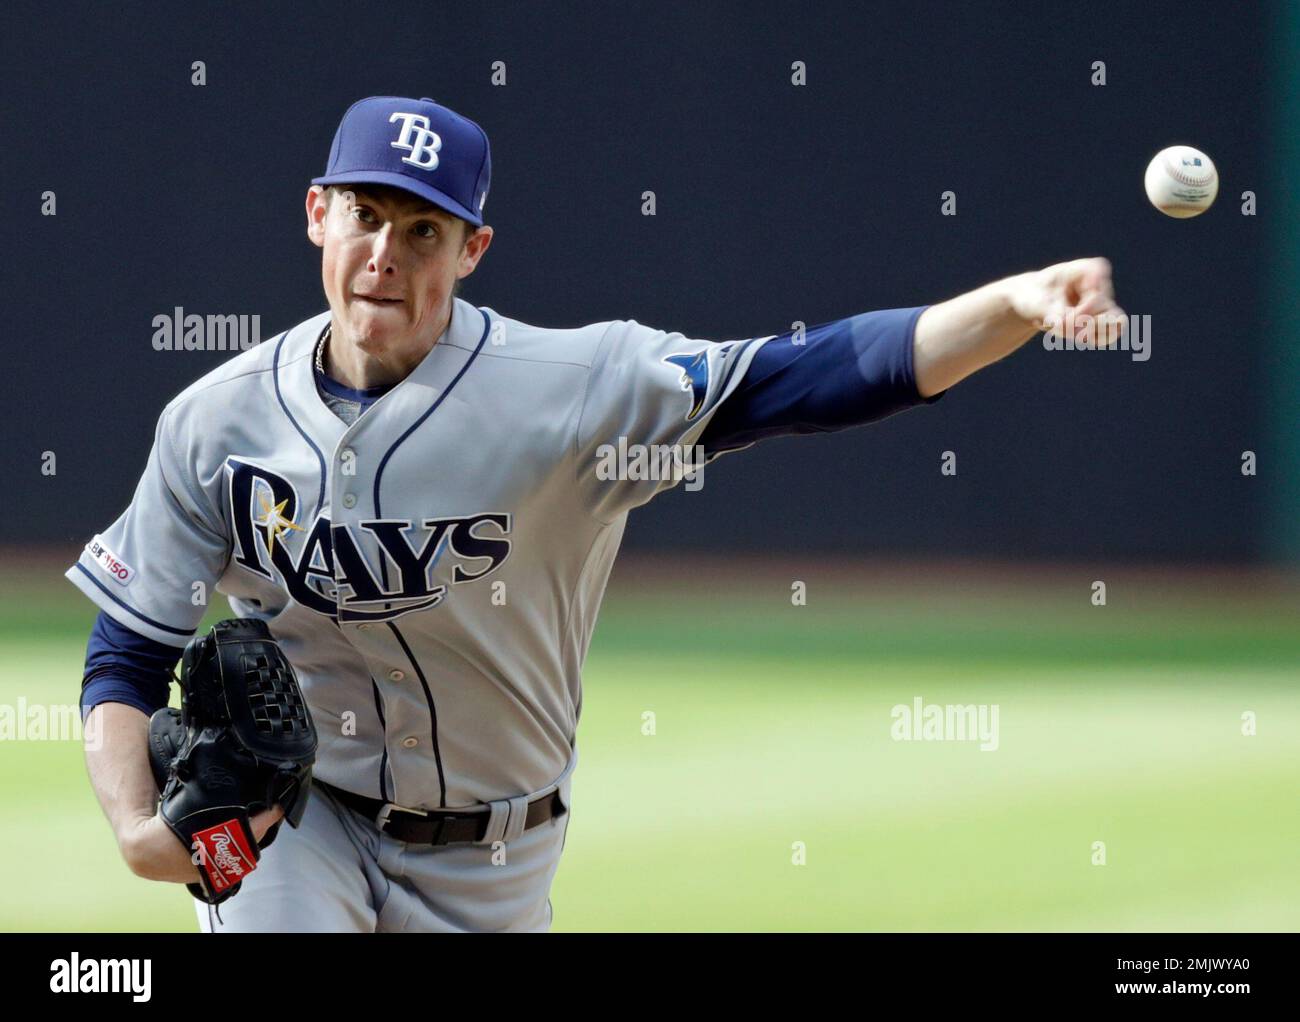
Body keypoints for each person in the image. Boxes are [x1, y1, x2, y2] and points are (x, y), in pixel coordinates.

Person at [69, 95, 1125, 932]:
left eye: (422, 230)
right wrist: (134, 828)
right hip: (299, 824)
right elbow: (125, 651)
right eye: (366, 216)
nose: (385, 253)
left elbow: (811, 375)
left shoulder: (572, 389)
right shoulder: (214, 422)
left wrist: (1013, 304)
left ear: (472, 249)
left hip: (493, 853)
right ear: (316, 214)